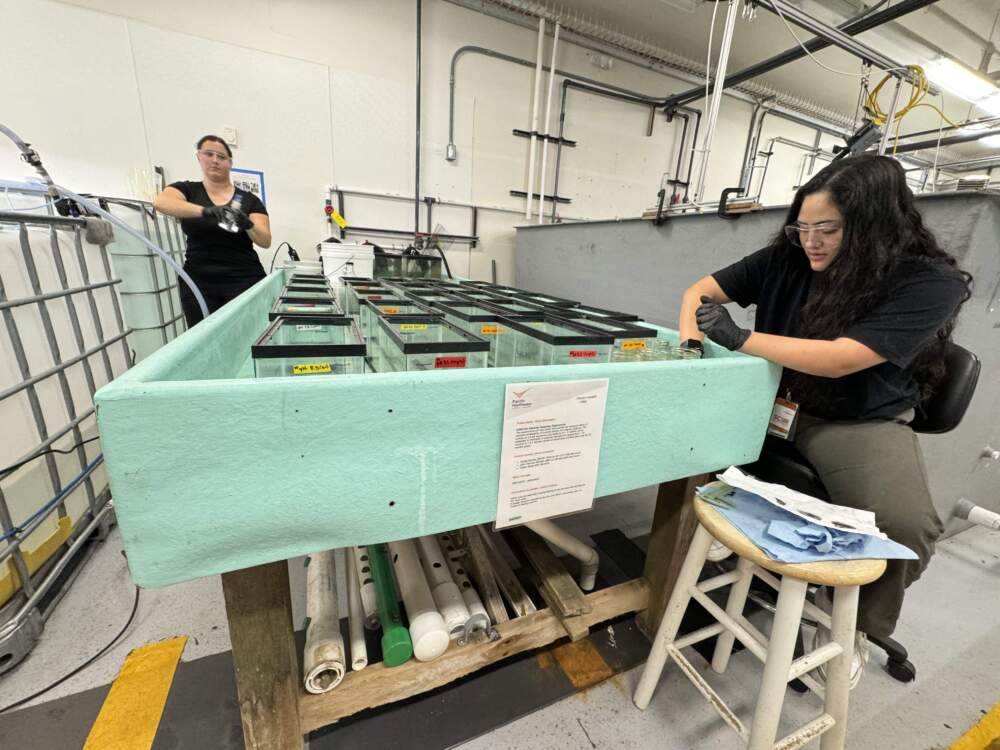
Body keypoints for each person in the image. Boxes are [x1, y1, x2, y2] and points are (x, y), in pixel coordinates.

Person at [677, 154, 971, 683]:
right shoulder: (787, 256)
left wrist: (741, 338)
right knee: (683, 435)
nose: (810, 240)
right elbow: (697, 291)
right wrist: (691, 348)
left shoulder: (927, 280)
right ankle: (726, 539)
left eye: (828, 230)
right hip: (775, 399)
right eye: (802, 227)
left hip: (853, 418)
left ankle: (852, 624)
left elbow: (844, 357)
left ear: (873, 227)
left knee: (905, 526)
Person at [153, 134, 272, 326]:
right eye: (209, 154)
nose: (215, 160)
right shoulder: (188, 190)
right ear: (199, 157)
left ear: (230, 163)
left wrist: (247, 224)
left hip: (244, 278)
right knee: (203, 337)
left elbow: (265, 240)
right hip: (200, 280)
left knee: (251, 331)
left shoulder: (249, 200)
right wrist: (207, 211)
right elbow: (161, 202)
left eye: (221, 157)